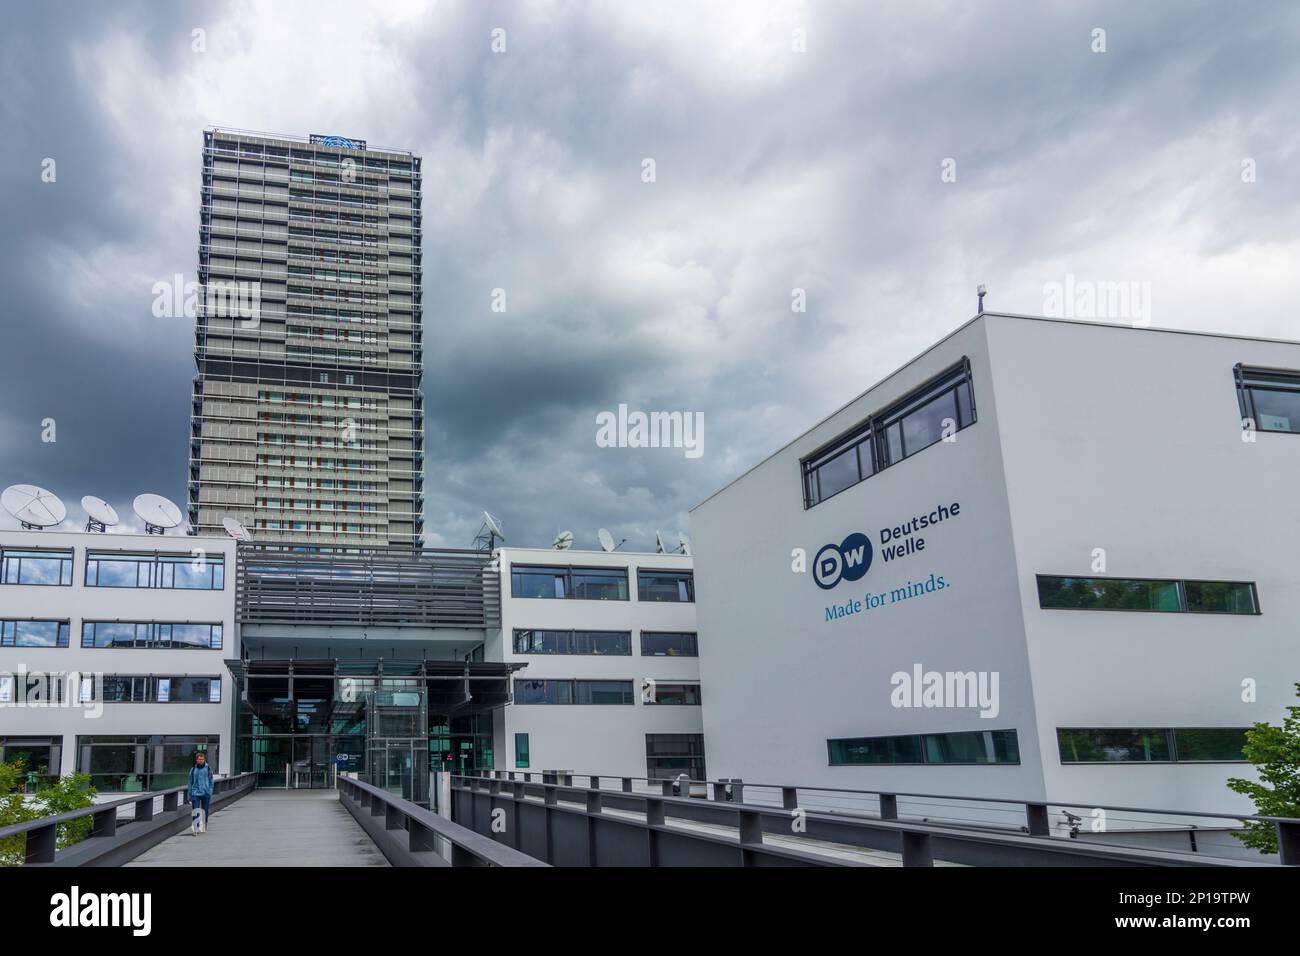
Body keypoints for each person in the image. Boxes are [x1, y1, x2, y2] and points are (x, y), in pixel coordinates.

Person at [188, 751, 215, 836]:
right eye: (199, 759)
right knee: (196, 810)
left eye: (202, 759)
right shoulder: (193, 770)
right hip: (195, 793)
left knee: (205, 811)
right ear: (196, 760)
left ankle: (203, 825)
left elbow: (211, 781)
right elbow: (190, 782)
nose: (200, 760)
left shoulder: (208, 769)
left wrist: (210, 791)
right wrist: (190, 793)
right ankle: (196, 829)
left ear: (204, 760)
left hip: (206, 793)